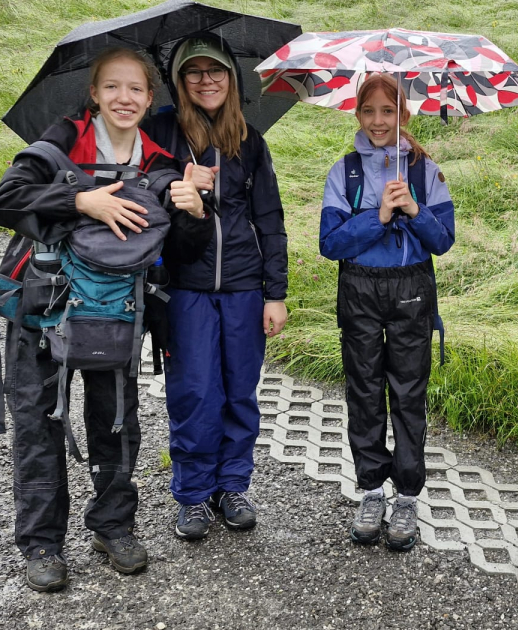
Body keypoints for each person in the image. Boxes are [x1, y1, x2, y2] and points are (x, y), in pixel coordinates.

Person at [0, 47, 211, 591]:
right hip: (41, 312)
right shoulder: (62, 141)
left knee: (117, 421)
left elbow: (182, 250)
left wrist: (194, 210)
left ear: (150, 98)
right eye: (112, 86)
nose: (123, 98)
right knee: (38, 423)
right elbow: (4, 200)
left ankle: (113, 527)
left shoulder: (160, 164)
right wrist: (82, 201)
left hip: (116, 314)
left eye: (135, 88)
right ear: (94, 93)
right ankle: (42, 543)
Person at [142, 35, 289, 540]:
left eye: (216, 71)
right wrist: (178, 187)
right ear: (180, 80)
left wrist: (275, 293)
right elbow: (143, 189)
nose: (206, 80)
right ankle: (193, 494)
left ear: (232, 77)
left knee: (239, 393)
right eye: (194, 72)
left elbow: (270, 219)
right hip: (186, 289)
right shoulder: (160, 130)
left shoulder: (249, 140)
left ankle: (232, 487)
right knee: (194, 393)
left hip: (245, 288)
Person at [318, 73, 455, 552]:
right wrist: (376, 218)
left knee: (408, 393)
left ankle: (408, 495)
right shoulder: (344, 172)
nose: (379, 121)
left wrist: (414, 210)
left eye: (388, 111)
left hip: (411, 288)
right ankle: (372, 489)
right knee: (364, 391)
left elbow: (444, 240)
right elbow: (330, 244)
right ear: (357, 115)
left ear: (404, 115)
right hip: (358, 288)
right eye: (369, 111)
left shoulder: (425, 170)